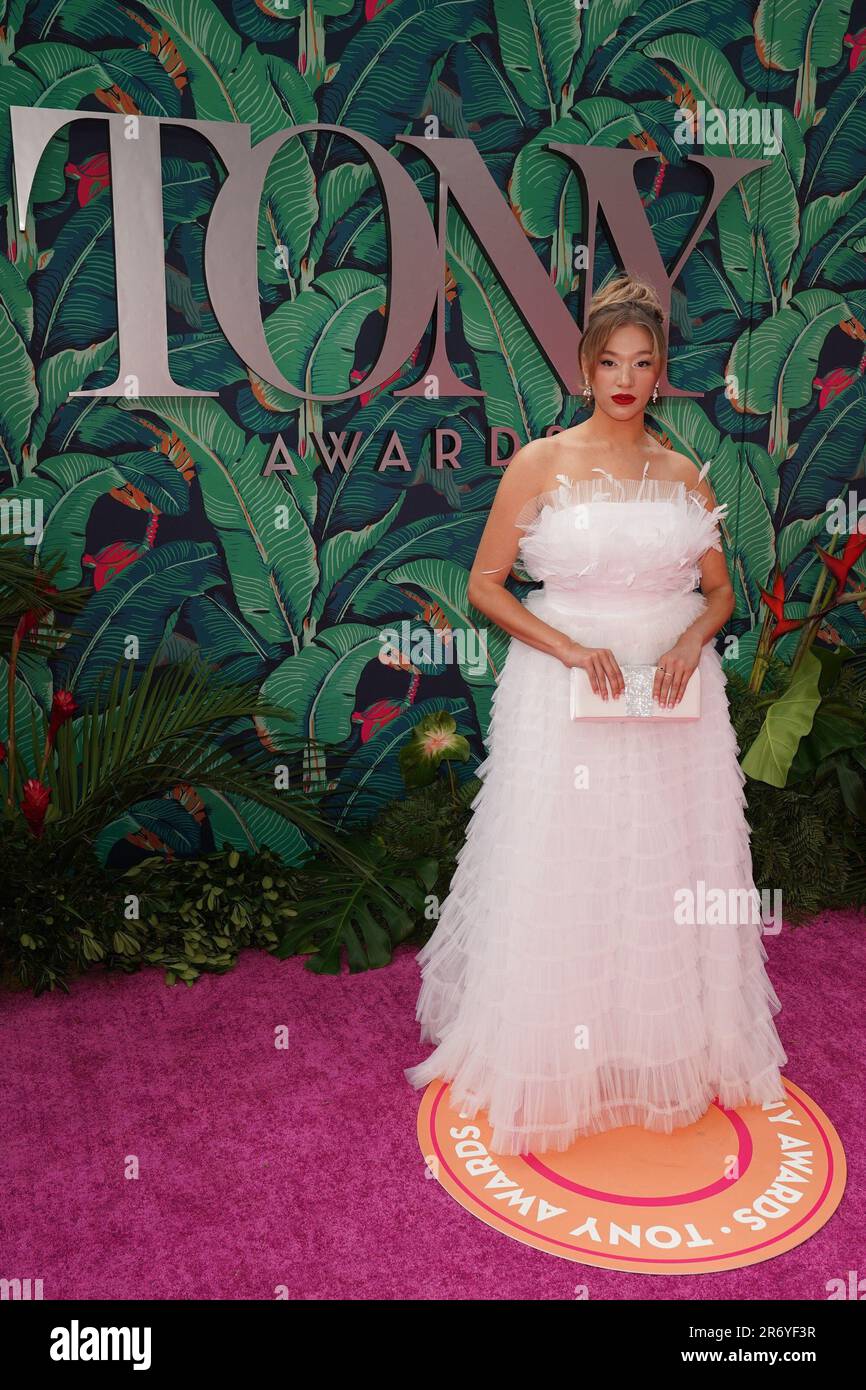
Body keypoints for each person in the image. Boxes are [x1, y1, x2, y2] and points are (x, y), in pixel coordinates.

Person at [404, 273, 788, 1156]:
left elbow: (722, 591)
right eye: (609, 360)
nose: (625, 376)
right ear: (584, 367)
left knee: (663, 863)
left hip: (670, 698)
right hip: (567, 691)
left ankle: (648, 1046)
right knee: (568, 863)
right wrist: (568, 647)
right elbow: (484, 584)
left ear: (662, 376)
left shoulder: (683, 473)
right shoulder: (542, 462)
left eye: (643, 362)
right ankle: (556, 1049)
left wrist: (695, 637)